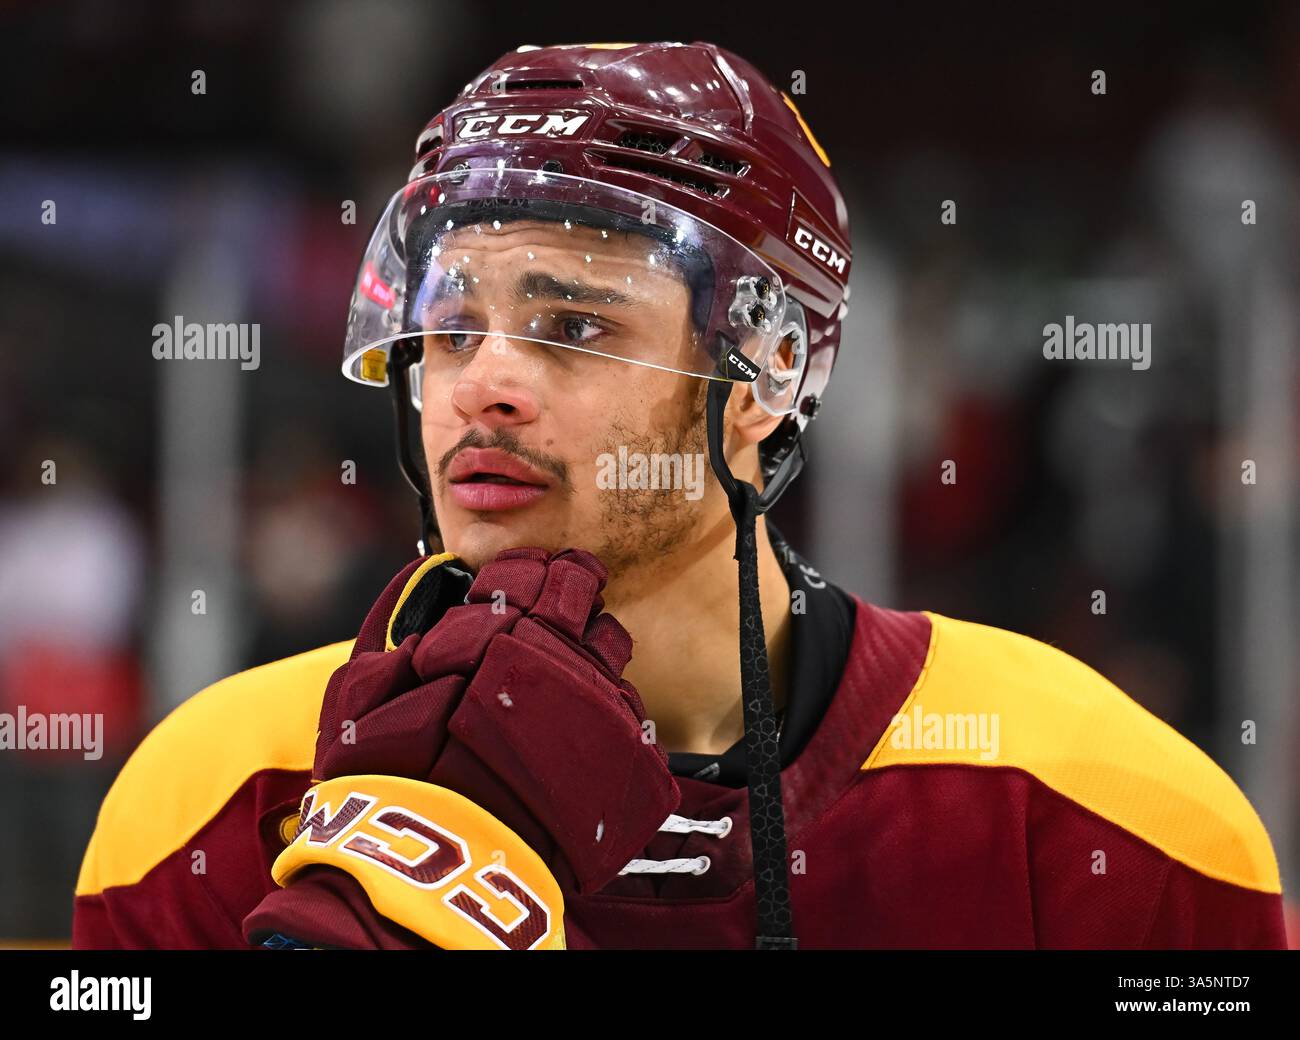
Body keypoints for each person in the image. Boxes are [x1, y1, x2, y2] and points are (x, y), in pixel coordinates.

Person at [73, 41, 1285, 950]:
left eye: (573, 326)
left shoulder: (1094, 810)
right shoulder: (214, 795)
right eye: (450, 327)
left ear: (760, 374)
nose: (481, 384)